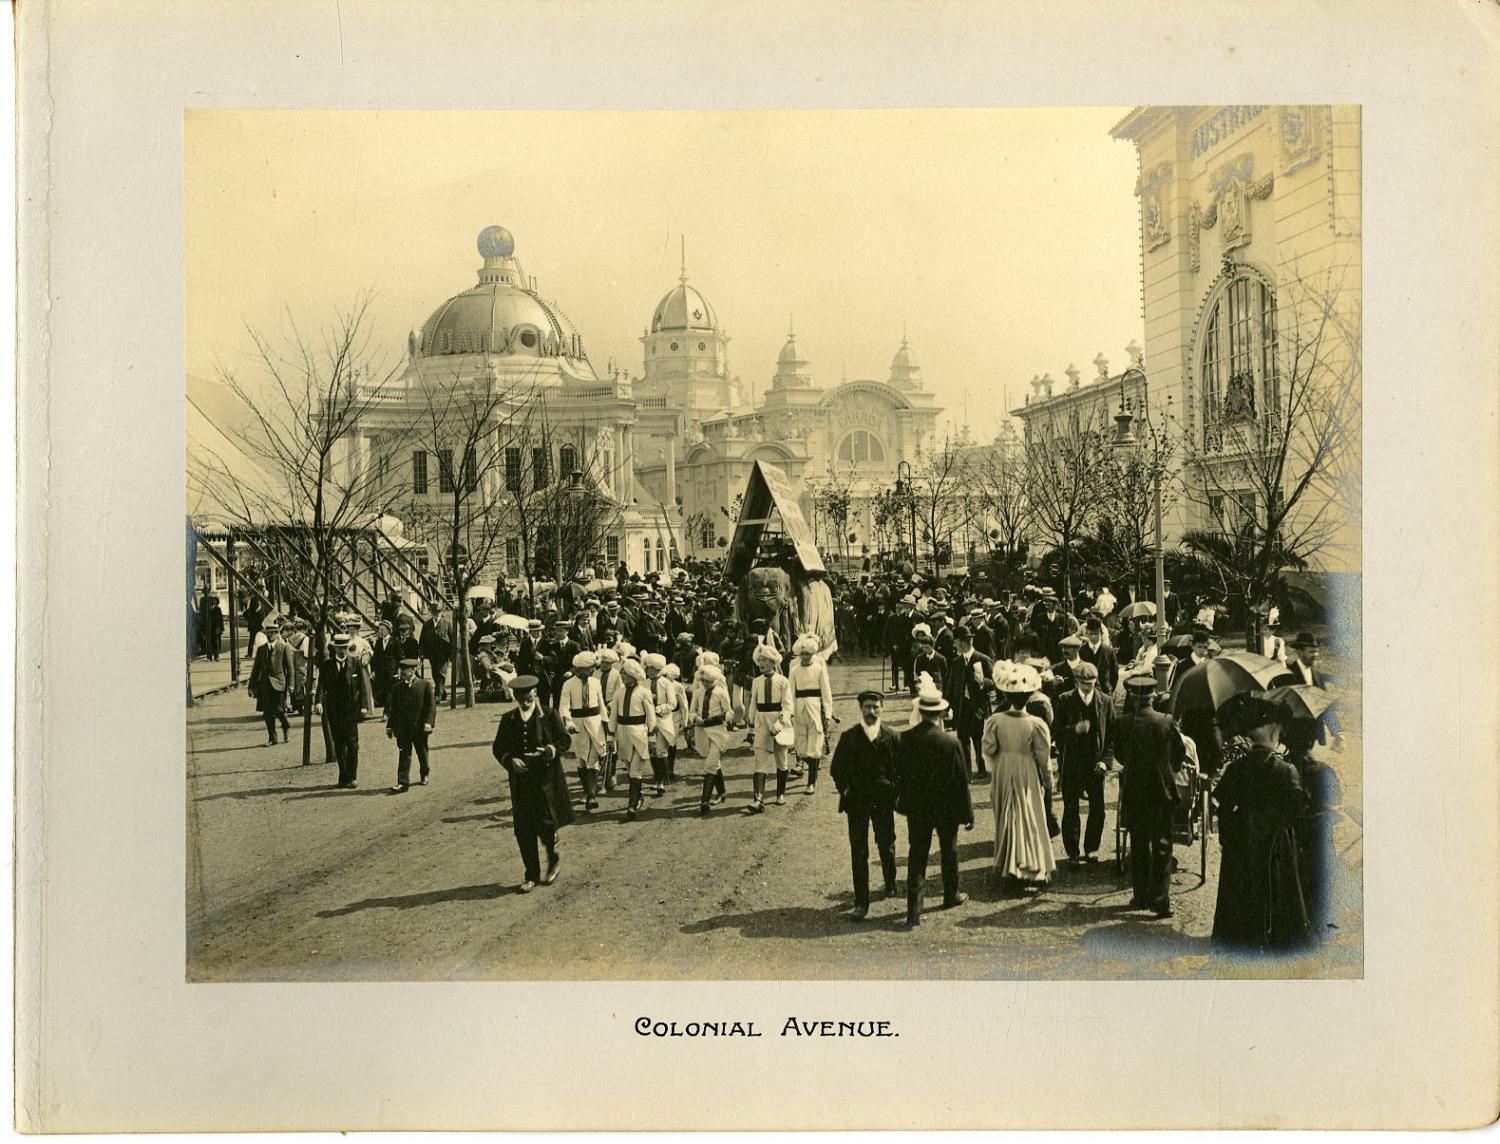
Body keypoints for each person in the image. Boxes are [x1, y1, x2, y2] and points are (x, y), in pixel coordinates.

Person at [1210, 695, 1311, 951]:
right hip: (1276, 851)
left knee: (1241, 906)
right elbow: (1298, 811)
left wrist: (1228, 839)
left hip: (1240, 850)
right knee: (1277, 901)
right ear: (1274, 733)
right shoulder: (1285, 771)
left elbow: (1221, 809)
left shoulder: (1237, 769)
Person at [896, 681, 974, 927]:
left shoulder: (905, 739)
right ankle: (951, 894)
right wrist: (967, 812)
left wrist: (902, 802)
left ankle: (913, 909)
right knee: (949, 850)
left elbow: (898, 774)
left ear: (919, 711)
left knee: (917, 853)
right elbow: (961, 782)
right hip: (946, 808)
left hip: (918, 808)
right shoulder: (951, 743)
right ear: (941, 713)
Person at [1109, 674, 1184, 917]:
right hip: (1162, 791)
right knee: (1163, 845)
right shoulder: (1165, 721)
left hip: (1135, 791)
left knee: (1139, 844)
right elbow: (1179, 754)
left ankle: (1140, 897)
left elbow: (1120, 755)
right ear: (1153, 696)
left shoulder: (1122, 723)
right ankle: (1161, 901)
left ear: (1131, 695)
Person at [492, 674, 574, 892]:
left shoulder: (548, 714)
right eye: (520, 697)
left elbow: (564, 739)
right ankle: (531, 875)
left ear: (535, 694)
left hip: (546, 779)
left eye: (528, 697)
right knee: (524, 828)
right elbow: (498, 748)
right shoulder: (508, 719)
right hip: (521, 781)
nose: (525, 701)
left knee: (546, 823)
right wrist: (510, 760)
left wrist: (550, 750)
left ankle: (553, 858)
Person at [982, 662, 1057, 891]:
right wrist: (1048, 781)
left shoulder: (995, 721)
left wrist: (1001, 762)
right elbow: (1044, 759)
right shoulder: (1037, 724)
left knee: (1008, 817)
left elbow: (988, 748)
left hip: (1004, 769)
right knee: (1028, 817)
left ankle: (1009, 867)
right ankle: (1027, 868)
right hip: (1027, 770)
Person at [829, 689, 900, 921]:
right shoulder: (849, 737)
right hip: (857, 802)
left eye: (875, 706)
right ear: (860, 709)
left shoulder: (892, 737)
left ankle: (890, 882)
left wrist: (894, 792)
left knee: (886, 842)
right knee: (859, 849)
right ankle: (861, 901)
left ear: (882, 707)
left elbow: (902, 769)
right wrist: (847, 790)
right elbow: (836, 769)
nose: (871, 711)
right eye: (867, 707)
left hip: (883, 800)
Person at [1052, 661, 1113, 864]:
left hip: (1096, 764)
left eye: (1092, 683)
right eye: (1084, 684)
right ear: (1076, 682)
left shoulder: (1105, 701)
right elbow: (1055, 732)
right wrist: (1073, 730)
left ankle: (1091, 849)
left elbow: (1112, 736)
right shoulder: (1064, 700)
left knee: (1098, 808)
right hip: (1072, 764)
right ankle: (1073, 852)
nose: (1088, 688)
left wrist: (1105, 761)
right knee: (1071, 809)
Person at [316, 632, 372, 789]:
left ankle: (353, 777)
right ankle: (343, 776)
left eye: (344, 648)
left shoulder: (354, 663)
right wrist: (318, 702)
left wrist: (364, 705)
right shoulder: (327, 666)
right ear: (334, 648)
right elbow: (321, 685)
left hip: (351, 711)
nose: (342, 651)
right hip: (334, 711)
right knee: (339, 745)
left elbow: (362, 686)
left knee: (353, 744)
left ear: (348, 648)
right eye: (339, 648)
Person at [742, 642, 793, 814]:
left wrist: (780, 723)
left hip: (779, 723)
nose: (761, 663)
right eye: (760, 660)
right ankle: (758, 800)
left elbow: (788, 707)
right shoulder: (756, 681)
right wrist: (750, 725)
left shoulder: (783, 681)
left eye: (765, 660)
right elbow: (752, 705)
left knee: (782, 760)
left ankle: (780, 794)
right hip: (761, 723)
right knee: (759, 762)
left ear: (774, 662)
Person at [610, 655, 657, 820]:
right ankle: (638, 796)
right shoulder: (618, 693)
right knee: (630, 769)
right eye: (621, 673)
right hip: (623, 734)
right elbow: (613, 716)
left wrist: (651, 738)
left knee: (636, 770)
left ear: (633, 675)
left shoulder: (644, 692)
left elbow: (651, 717)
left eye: (625, 674)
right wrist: (611, 737)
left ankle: (631, 807)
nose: (622, 676)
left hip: (639, 734)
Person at [944, 625, 993, 782]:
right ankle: (967, 771)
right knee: (962, 739)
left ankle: (982, 768)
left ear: (964, 642)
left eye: (956, 642)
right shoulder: (957, 662)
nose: (954, 645)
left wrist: (983, 682)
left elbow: (995, 683)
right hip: (961, 707)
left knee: (978, 739)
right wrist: (947, 707)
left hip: (977, 707)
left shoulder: (983, 659)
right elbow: (951, 687)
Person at [560, 650, 607, 812]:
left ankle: (591, 795)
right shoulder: (569, 684)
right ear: (579, 668)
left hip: (595, 723)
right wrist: (568, 722)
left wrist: (606, 723)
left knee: (593, 758)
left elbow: (601, 704)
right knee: (581, 759)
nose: (592, 670)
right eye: (589, 668)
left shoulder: (595, 682)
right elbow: (564, 706)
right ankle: (587, 791)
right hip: (578, 726)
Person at [788, 633, 834, 795]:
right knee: (800, 749)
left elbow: (826, 692)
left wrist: (827, 714)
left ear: (813, 653)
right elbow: (790, 693)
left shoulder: (819, 669)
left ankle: (811, 783)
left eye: (808, 654)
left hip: (814, 707)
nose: (805, 657)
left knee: (814, 747)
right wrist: (789, 713)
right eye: (802, 654)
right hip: (799, 709)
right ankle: (810, 764)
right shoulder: (794, 670)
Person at [384, 657, 436, 793]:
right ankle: (402, 782)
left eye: (405, 670)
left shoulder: (425, 685)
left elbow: (430, 707)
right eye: (401, 670)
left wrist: (428, 723)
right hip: (403, 728)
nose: (402, 673)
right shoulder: (397, 688)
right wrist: (390, 726)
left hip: (419, 727)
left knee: (422, 752)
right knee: (404, 754)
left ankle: (425, 773)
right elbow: (394, 710)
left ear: (414, 670)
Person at [688, 662, 733, 815]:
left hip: (717, 732)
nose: (705, 684)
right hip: (702, 731)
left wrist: (716, 719)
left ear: (715, 680)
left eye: (708, 681)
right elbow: (691, 711)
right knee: (713, 762)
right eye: (703, 681)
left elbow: (729, 713)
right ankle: (722, 792)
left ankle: (704, 801)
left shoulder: (721, 692)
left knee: (709, 765)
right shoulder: (698, 693)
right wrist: (695, 718)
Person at [247, 618, 295, 746]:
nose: (270, 635)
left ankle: (286, 726)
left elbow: (290, 668)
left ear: (277, 633)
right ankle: (272, 738)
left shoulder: (283, 648)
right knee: (267, 713)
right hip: (265, 685)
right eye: (268, 633)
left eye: (272, 633)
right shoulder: (261, 649)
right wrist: (251, 686)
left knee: (279, 710)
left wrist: (291, 684)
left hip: (279, 684)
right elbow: (256, 669)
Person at [420, 607, 454, 701]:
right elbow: (422, 640)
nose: (437, 614)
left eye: (438, 611)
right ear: (431, 612)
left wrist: (452, 654)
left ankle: (438, 695)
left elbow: (452, 639)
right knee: (435, 673)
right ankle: (443, 693)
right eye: (434, 612)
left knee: (441, 673)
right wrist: (422, 653)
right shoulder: (427, 625)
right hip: (432, 653)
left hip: (443, 653)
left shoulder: (446, 623)